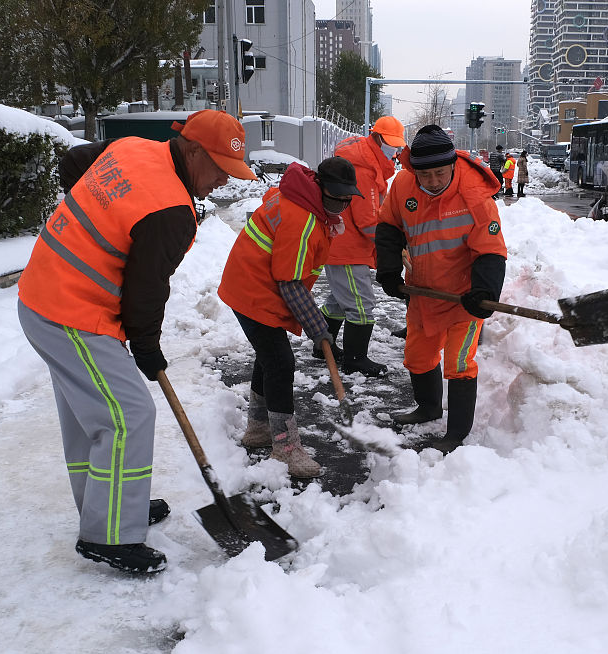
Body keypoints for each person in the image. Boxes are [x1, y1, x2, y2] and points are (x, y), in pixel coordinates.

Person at [17, 110, 257, 574]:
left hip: (42, 293)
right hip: (71, 311)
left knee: (89, 415)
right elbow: (145, 291)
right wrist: (146, 347)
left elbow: (73, 163)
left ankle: (108, 506)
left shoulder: (132, 149)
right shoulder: (171, 210)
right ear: (191, 150)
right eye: (218, 170)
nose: (221, 184)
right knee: (128, 414)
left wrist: (90, 221)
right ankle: (109, 534)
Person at [217, 156, 361, 478]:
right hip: (254, 291)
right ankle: (285, 447)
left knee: (270, 357)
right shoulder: (302, 220)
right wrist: (319, 329)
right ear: (320, 187)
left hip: (253, 284)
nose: (340, 204)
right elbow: (290, 282)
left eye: (346, 198)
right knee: (280, 362)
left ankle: (258, 428)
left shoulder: (304, 200)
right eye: (334, 197)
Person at [374, 124, 507, 453]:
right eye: (425, 175)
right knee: (418, 357)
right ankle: (429, 407)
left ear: (452, 166)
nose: (431, 181)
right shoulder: (404, 184)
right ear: (412, 170)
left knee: (459, 364)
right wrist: (389, 269)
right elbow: (389, 226)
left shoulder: (474, 196)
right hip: (423, 293)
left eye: (439, 173)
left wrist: (485, 292)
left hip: (464, 297)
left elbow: (491, 251)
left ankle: (456, 433)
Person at [312, 115, 406, 377]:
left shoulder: (368, 162)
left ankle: (323, 347)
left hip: (344, 246)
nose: (395, 151)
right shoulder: (363, 168)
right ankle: (355, 359)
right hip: (348, 249)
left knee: (340, 301)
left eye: (397, 145)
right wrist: (390, 244)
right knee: (361, 304)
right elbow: (368, 222)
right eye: (391, 144)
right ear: (376, 138)